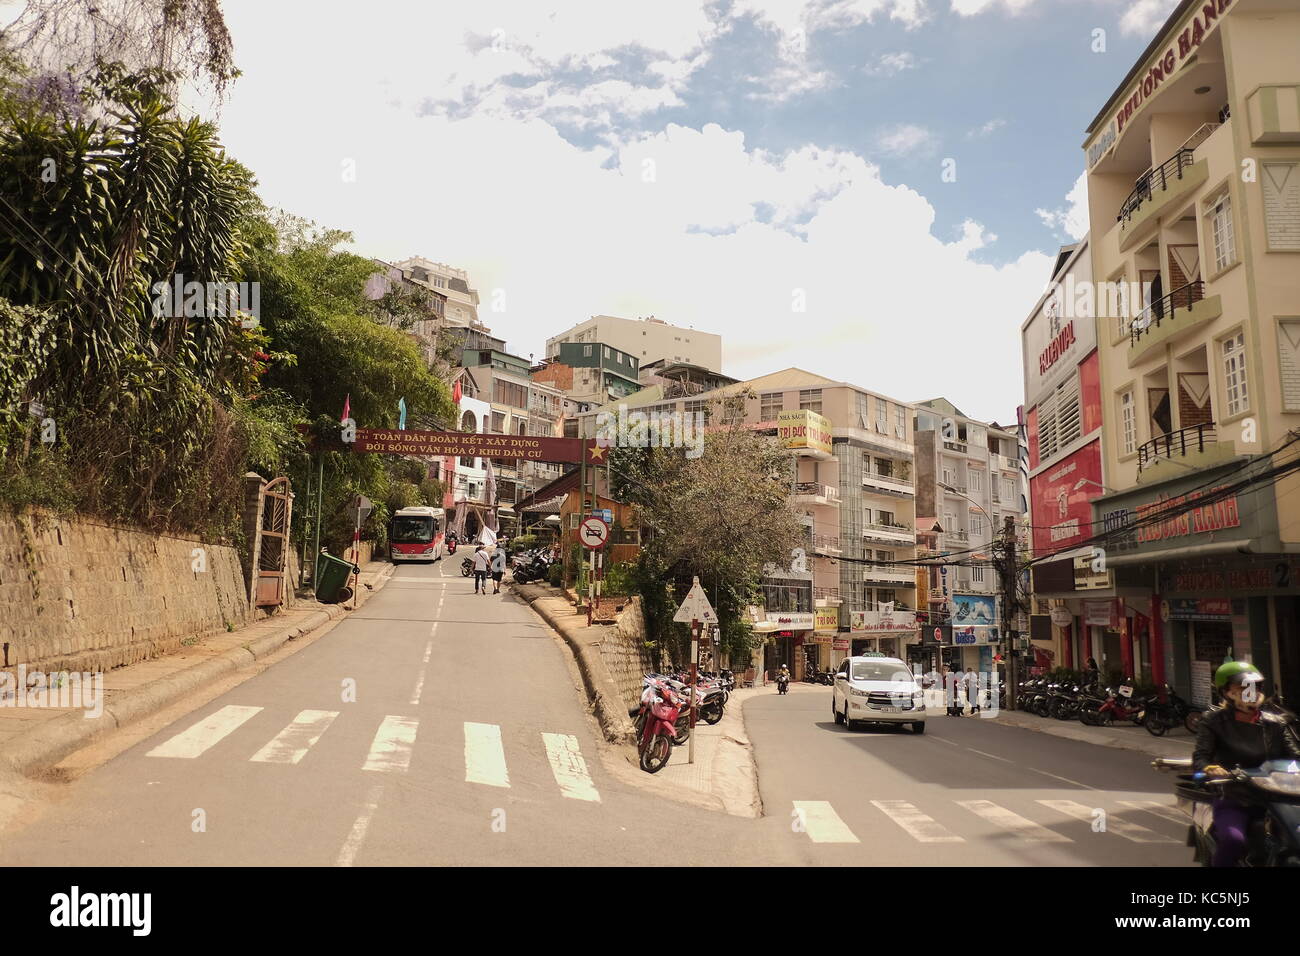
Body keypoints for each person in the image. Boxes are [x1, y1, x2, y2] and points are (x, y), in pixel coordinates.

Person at [1193, 661, 1300, 867]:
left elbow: (1295, 754)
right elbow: (1201, 757)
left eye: (1256, 686)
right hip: (1236, 797)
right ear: (1226, 691)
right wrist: (1210, 768)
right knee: (1234, 840)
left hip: (1280, 799)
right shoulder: (1213, 721)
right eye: (1243, 687)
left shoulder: (1277, 722)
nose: (1251, 691)